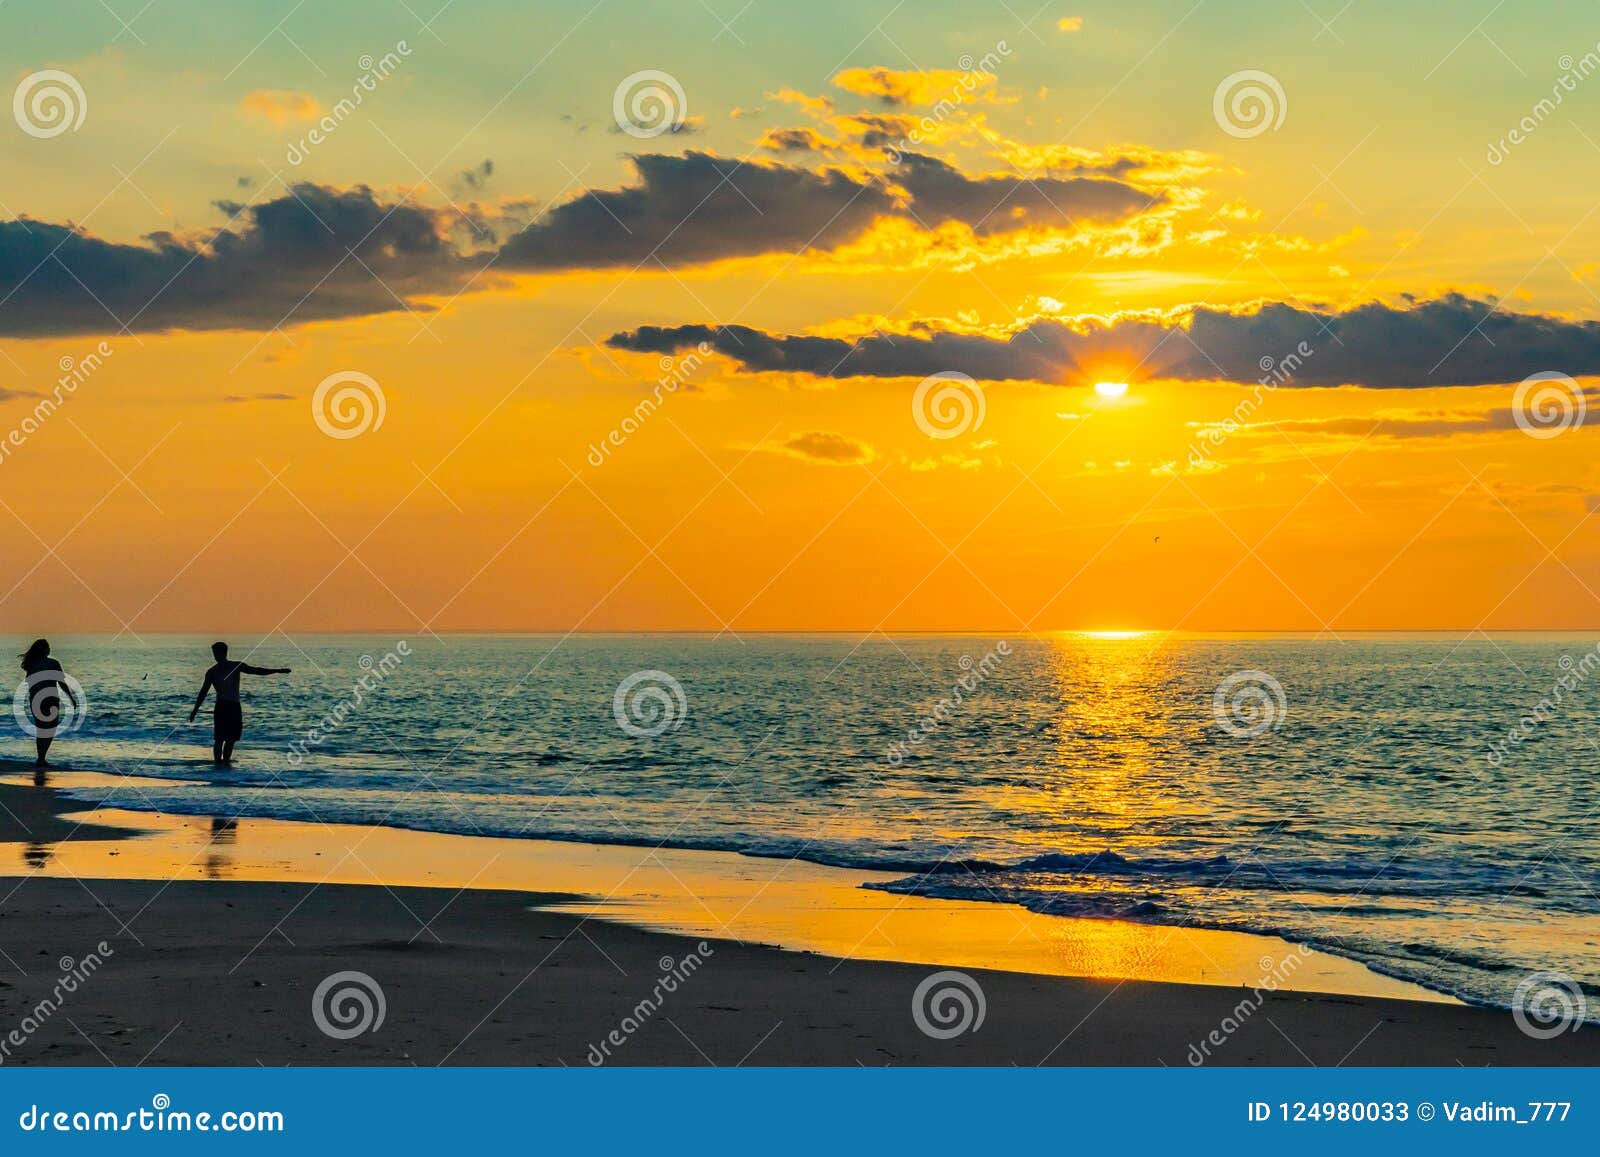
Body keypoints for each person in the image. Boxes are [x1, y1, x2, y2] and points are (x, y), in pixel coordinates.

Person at [189, 642, 290, 763]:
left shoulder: (236, 666)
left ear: (223, 653)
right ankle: (218, 765)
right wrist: (195, 710)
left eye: (216, 653)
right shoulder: (212, 672)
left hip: (234, 706)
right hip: (222, 706)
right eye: (214, 653)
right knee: (219, 739)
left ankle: (225, 763)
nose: (215, 656)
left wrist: (277, 671)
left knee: (231, 739)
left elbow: (256, 670)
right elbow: (203, 692)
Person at [18, 639, 79, 768]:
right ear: (45, 650)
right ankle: (41, 758)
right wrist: (70, 697)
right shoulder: (53, 663)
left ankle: (40, 758)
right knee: (50, 729)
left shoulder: (31, 664)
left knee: (41, 729)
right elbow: (61, 683)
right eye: (48, 647)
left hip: (35, 699)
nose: (50, 649)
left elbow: (29, 683)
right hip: (50, 700)